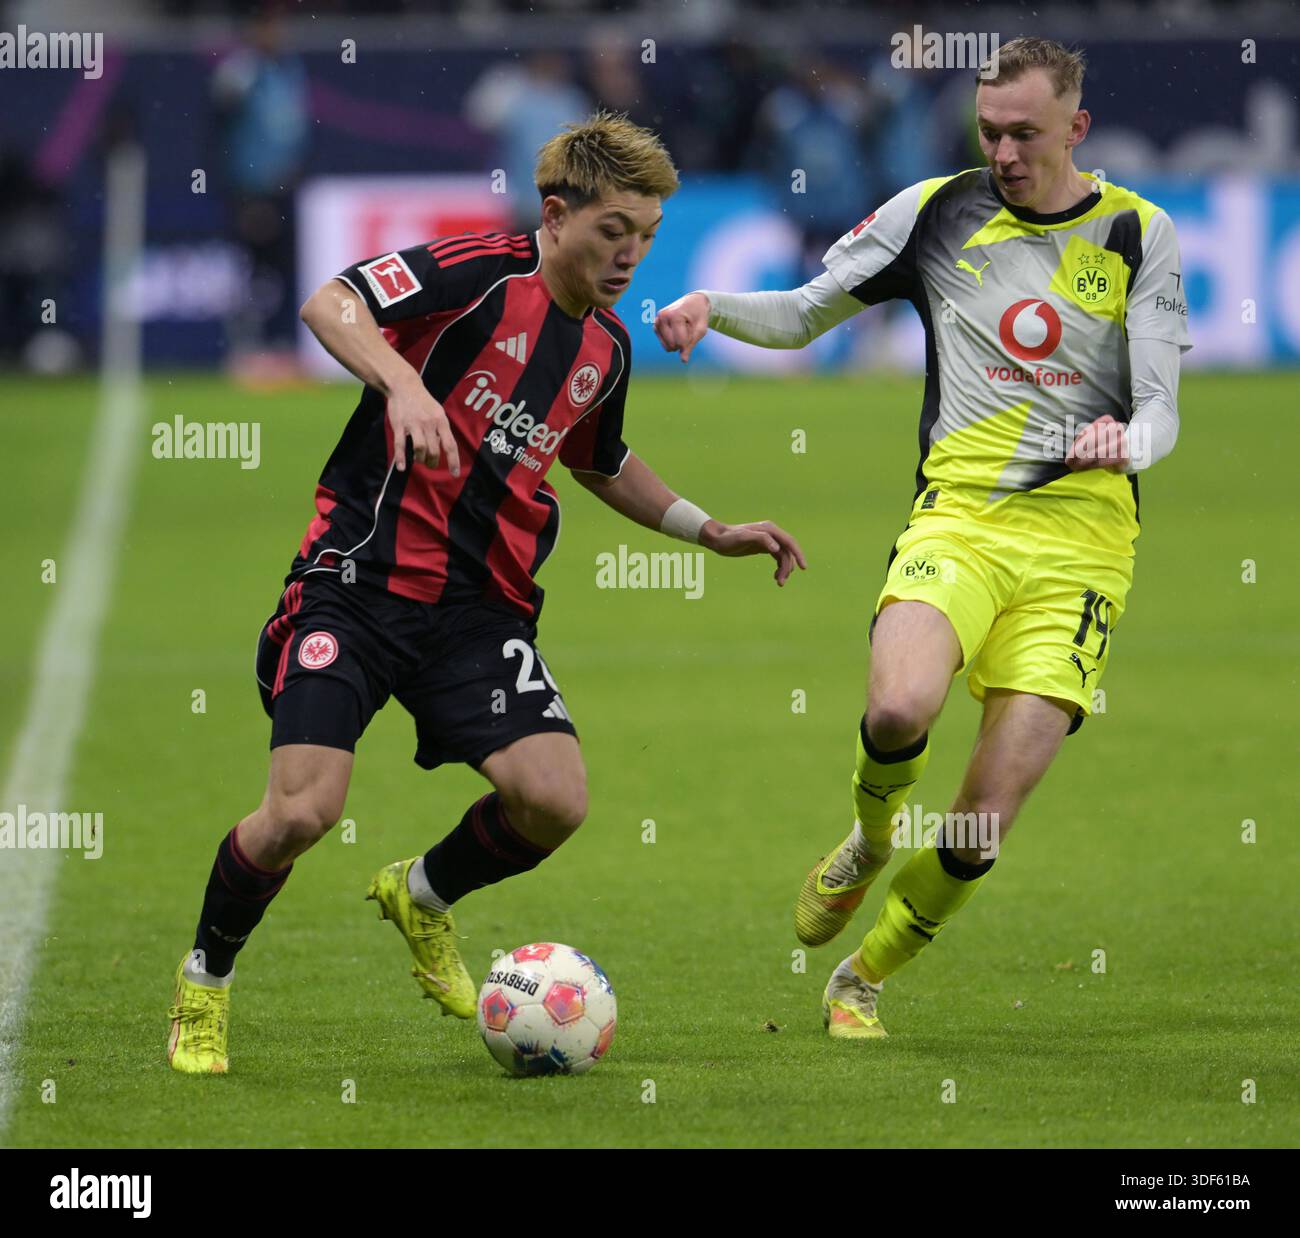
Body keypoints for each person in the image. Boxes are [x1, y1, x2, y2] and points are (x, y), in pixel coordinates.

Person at [167, 112, 806, 1073]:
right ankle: (204, 986)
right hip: (359, 581)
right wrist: (403, 387)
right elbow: (330, 304)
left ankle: (420, 896)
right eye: (612, 233)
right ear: (556, 216)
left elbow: (599, 462)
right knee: (302, 812)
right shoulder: (479, 273)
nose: (630, 256)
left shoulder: (605, 349)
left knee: (554, 800)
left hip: (479, 613)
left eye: (647, 238)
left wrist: (706, 529)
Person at [653, 38, 1189, 1039]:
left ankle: (863, 975)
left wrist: (1128, 438)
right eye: (989, 132)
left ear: (1075, 128)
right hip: (961, 516)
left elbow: (1162, 410)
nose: (1005, 152)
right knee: (899, 704)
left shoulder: (1137, 233)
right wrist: (711, 307)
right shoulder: (933, 210)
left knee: (980, 823)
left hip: (1082, 549)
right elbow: (806, 313)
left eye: (1025, 134)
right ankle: (864, 838)